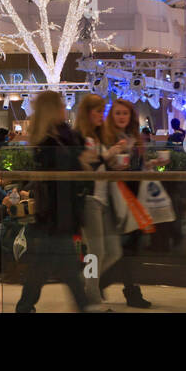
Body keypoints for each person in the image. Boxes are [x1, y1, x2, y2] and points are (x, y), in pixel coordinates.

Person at [15, 90, 99, 313]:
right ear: (51, 109)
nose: (64, 108)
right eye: (60, 104)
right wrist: (80, 160)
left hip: (62, 209)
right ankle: (84, 306)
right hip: (54, 211)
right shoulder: (46, 142)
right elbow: (61, 168)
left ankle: (25, 306)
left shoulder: (63, 135)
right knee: (66, 265)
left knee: (43, 266)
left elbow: (78, 149)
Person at [99, 98, 153, 309]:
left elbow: (140, 167)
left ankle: (106, 284)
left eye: (125, 113)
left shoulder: (135, 139)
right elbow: (100, 165)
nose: (121, 117)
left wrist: (151, 165)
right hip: (114, 198)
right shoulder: (107, 138)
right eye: (118, 113)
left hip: (133, 198)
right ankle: (106, 285)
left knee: (130, 248)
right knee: (118, 249)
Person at [75, 93, 124, 306]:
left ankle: (83, 283)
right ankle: (92, 296)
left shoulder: (99, 136)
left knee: (113, 251)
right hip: (89, 199)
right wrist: (108, 155)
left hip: (104, 199)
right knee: (97, 251)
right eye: (97, 111)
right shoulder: (80, 138)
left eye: (102, 111)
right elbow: (88, 168)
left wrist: (114, 161)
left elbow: (101, 165)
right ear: (87, 113)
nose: (101, 115)